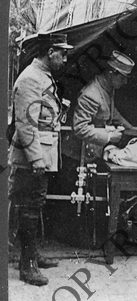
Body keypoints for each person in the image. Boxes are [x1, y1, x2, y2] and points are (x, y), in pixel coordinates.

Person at [8, 33, 73, 286]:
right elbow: (26, 124)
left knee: (35, 206)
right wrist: (36, 159)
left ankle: (32, 255)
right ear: (50, 52)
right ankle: (27, 266)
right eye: (62, 54)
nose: (65, 59)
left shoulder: (42, 76)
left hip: (39, 155)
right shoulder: (31, 79)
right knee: (29, 209)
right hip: (29, 159)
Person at [73, 51, 137, 163]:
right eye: (122, 78)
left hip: (95, 151)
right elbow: (80, 128)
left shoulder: (107, 87)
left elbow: (111, 111)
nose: (125, 82)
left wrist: (130, 128)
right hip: (80, 156)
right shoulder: (91, 95)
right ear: (111, 73)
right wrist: (109, 136)